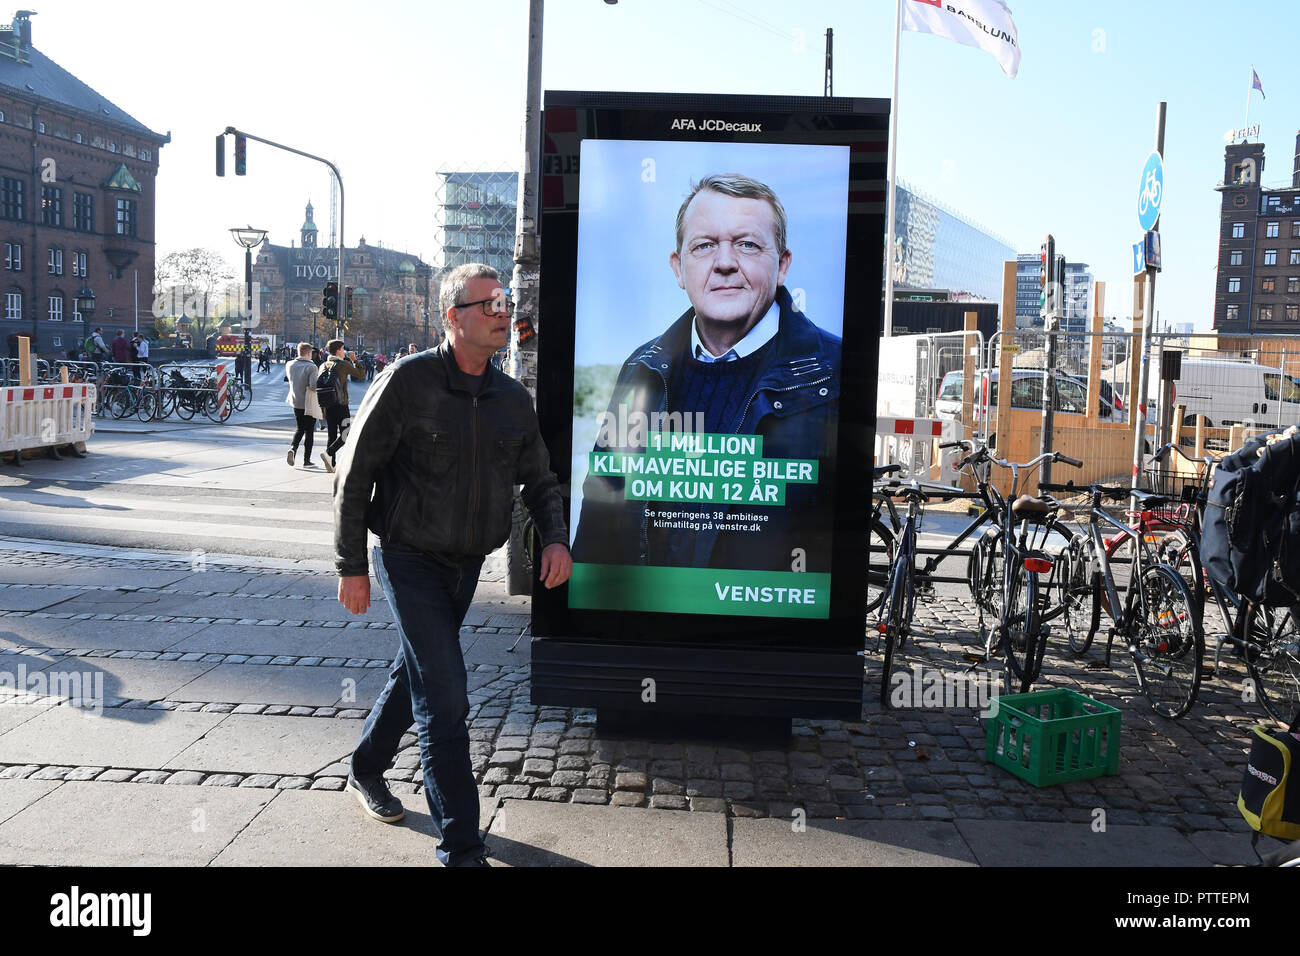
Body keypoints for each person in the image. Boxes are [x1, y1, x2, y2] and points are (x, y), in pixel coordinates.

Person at [334, 262, 571, 867]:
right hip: (408, 556)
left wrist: (555, 539)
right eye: (488, 304)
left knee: (415, 671)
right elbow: (354, 475)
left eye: (505, 302)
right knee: (445, 696)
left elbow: (540, 480)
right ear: (453, 317)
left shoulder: (512, 399)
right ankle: (462, 847)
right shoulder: (407, 382)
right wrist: (352, 565)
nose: (502, 313)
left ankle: (365, 766)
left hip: (466, 565)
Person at [570, 172, 841, 572]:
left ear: (782, 266)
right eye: (705, 246)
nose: (726, 263)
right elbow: (603, 506)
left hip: (766, 624)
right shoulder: (642, 366)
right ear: (679, 269)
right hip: (648, 621)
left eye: (748, 245)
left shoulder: (833, 372)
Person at [317, 339, 366, 473]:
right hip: (341, 405)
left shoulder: (323, 365)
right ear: (338, 350)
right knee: (346, 434)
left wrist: (322, 409)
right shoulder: (343, 365)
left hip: (328, 405)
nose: (344, 351)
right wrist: (355, 360)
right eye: (343, 349)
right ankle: (329, 453)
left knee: (331, 435)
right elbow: (361, 375)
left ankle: (331, 464)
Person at [284, 342, 321, 468]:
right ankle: (307, 460)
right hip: (308, 401)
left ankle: (293, 449)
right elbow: (313, 386)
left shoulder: (290, 364)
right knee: (309, 431)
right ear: (309, 353)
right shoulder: (312, 367)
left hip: (295, 401)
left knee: (300, 428)